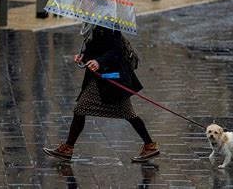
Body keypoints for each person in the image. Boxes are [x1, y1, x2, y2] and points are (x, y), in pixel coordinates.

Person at [43, 24, 160, 162]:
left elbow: (117, 50)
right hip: (100, 78)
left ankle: (150, 145)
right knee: (82, 108)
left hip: (111, 77)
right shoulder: (95, 22)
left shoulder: (110, 22)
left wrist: (99, 61)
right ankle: (68, 148)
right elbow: (96, 46)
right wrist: (83, 56)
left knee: (126, 113)